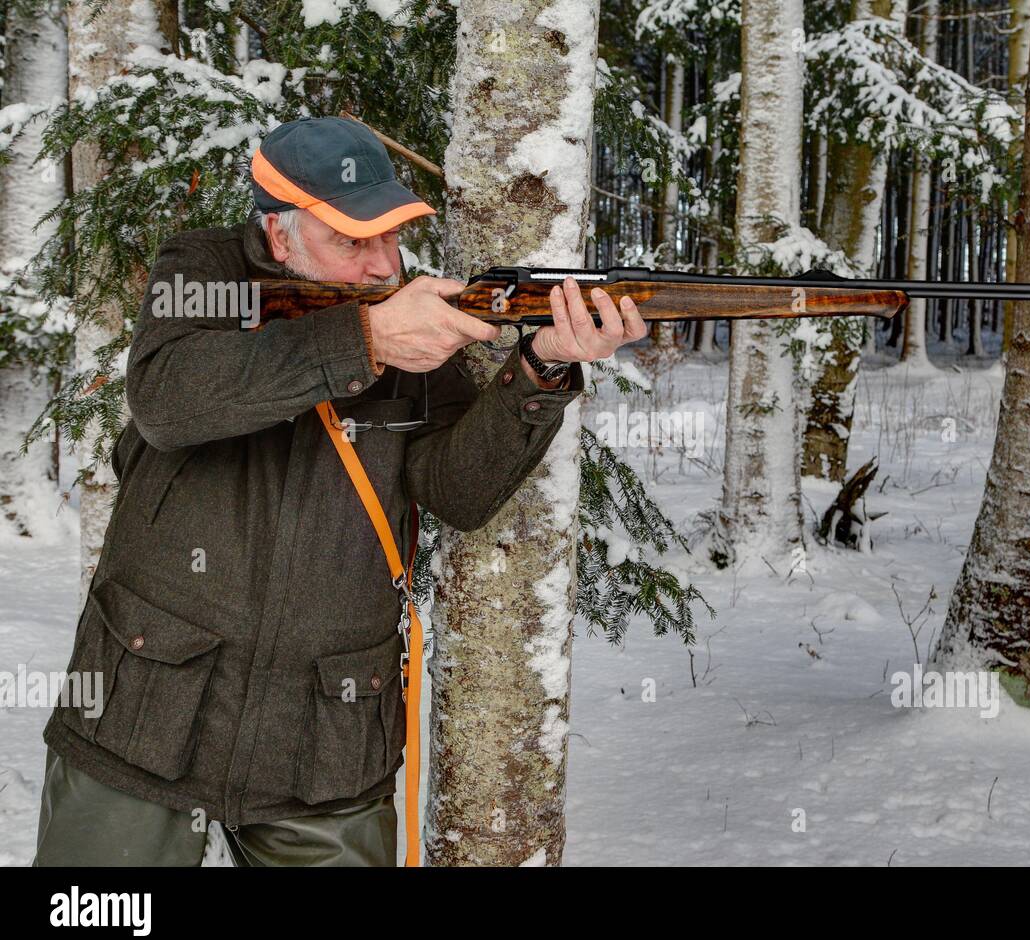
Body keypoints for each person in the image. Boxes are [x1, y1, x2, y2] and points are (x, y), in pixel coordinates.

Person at [33, 116, 647, 866]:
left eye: (389, 237)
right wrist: (364, 342)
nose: (380, 264)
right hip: (143, 716)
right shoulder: (204, 271)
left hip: (323, 744)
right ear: (280, 232)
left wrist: (543, 367)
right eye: (352, 241)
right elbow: (167, 399)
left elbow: (454, 490)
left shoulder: (412, 317)